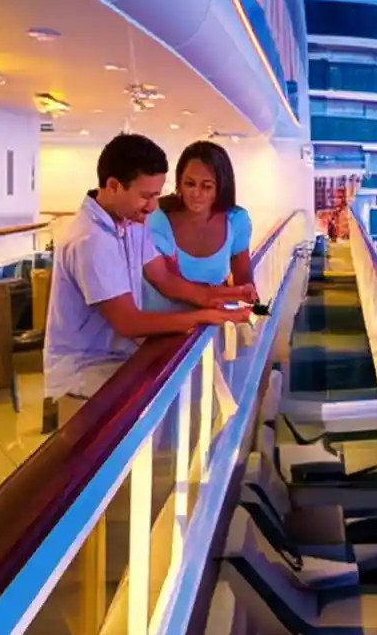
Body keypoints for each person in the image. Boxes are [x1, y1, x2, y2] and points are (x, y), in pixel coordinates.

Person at [43, 133, 251, 420]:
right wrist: (202, 316)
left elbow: (163, 278)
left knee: (198, 384)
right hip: (86, 370)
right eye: (146, 196)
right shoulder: (91, 241)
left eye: (156, 195)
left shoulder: (131, 222)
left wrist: (219, 296)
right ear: (114, 186)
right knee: (184, 395)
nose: (154, 206)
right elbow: (129, 322)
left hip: (122, 354)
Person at [145, 140, 253, 294]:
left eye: (206, 186)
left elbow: (244, 282)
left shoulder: (236, 220)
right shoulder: (156, 218)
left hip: (212, 308)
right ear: (179, 183)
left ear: (220, 187)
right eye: (190, 184)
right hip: (161, 308)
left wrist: (250, 298)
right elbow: (162, 281)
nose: (196, 194)